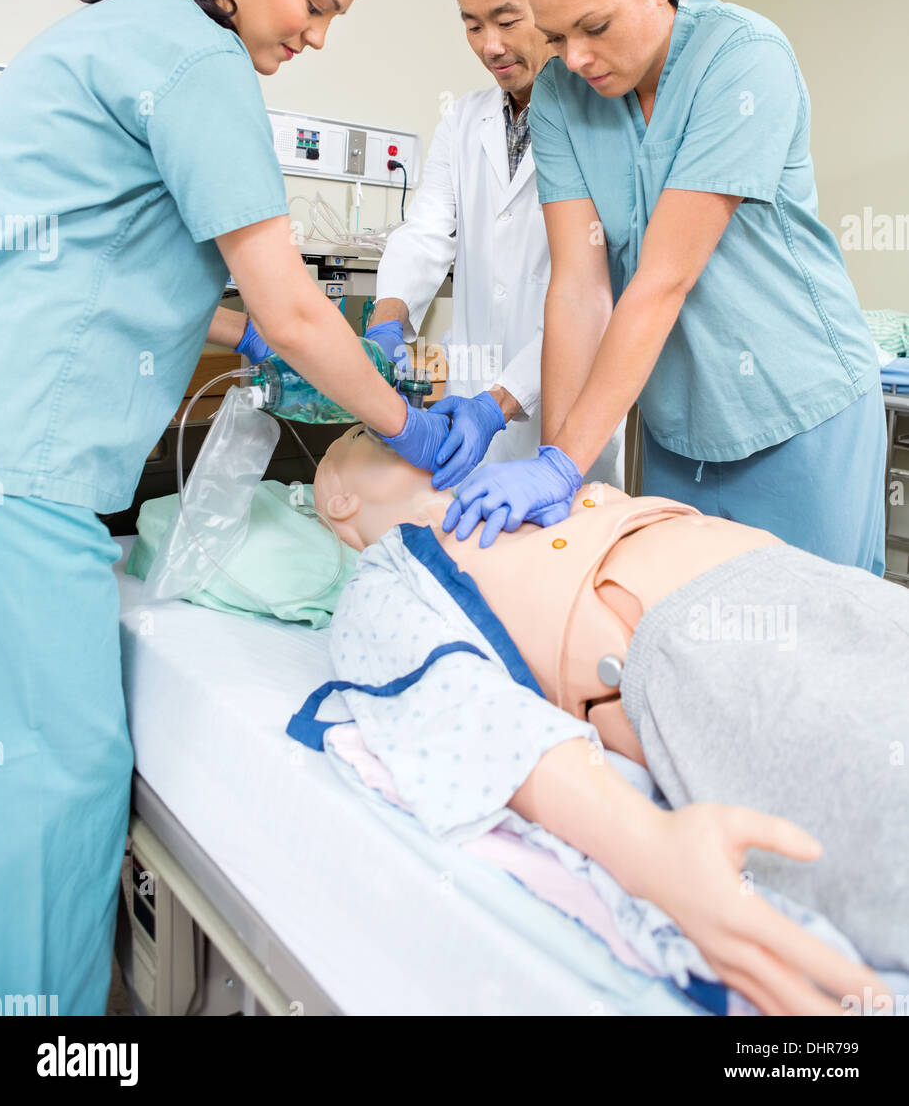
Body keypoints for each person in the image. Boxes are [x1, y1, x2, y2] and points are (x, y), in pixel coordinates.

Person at [0, 0, 449, 1013]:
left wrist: (273, 349)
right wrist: (401, 420)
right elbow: (294, 306)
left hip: (18, 440)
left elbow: (144, 278)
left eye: (341, 14)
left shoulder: (126, 34)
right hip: (20, 459)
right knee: (67, 773)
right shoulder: (198, 65)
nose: (317, 31)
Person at [289, 423, 907, 1015]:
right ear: (339, 501)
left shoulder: (536, 484)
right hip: (720, 655)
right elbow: (468, 713)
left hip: (824, 586)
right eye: (365, 431)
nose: (405, 417)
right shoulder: (391, 571)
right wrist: (649, 850)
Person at [440, 0, 886, 570]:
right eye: (555, 37)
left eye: (594, 27)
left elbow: (660, 281)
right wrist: (565, 471)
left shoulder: (742, 60)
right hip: (681, 433)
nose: (575, 59)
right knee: (684, 641)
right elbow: (580, 287)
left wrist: (558, 465)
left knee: (813, 651)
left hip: (801, 410)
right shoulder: (559, 96)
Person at [364, 0, 624, 490]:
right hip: (470, 400)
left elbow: (598, 294)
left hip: (564, 413)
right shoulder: (464, 119)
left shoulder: (603, 121)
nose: (491, 45)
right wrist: (389, 317)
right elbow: (428, 230)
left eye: (507, 20)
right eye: (473, 25)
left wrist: (502, 401)